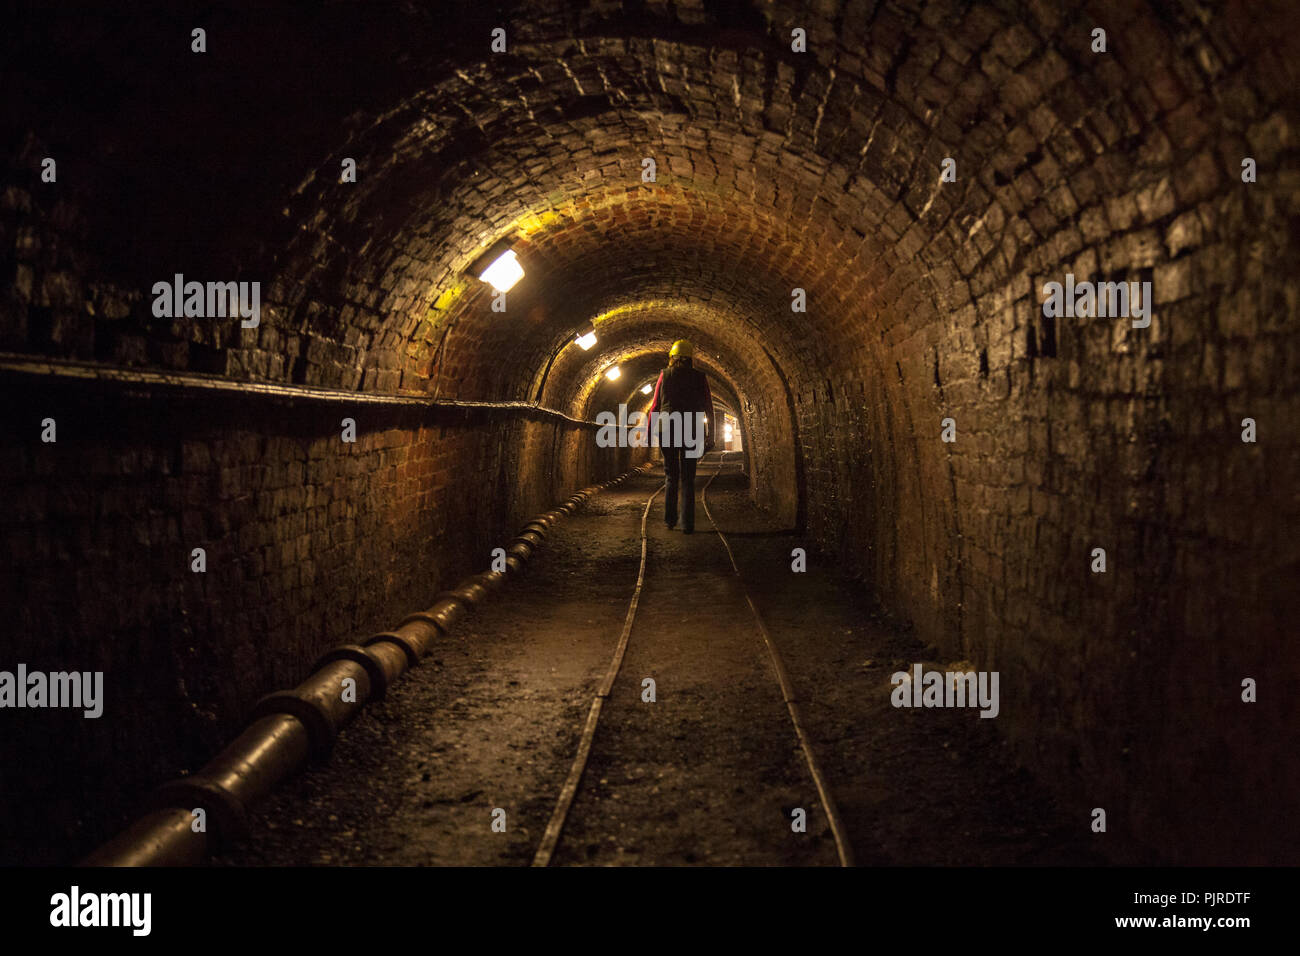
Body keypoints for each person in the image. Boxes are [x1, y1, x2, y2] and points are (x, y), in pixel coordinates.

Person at [647, 339, 714, 533]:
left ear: (672, 358)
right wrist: (710, 434)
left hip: (667, 429)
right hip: (691, 430)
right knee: (688, 478)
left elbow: (655, 406)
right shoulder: (700, 377)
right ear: (690, 359)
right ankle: (688, 524)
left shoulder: (665, 375)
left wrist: (651, 431)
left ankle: (670, 520)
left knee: (671, 476)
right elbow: (708, 407)